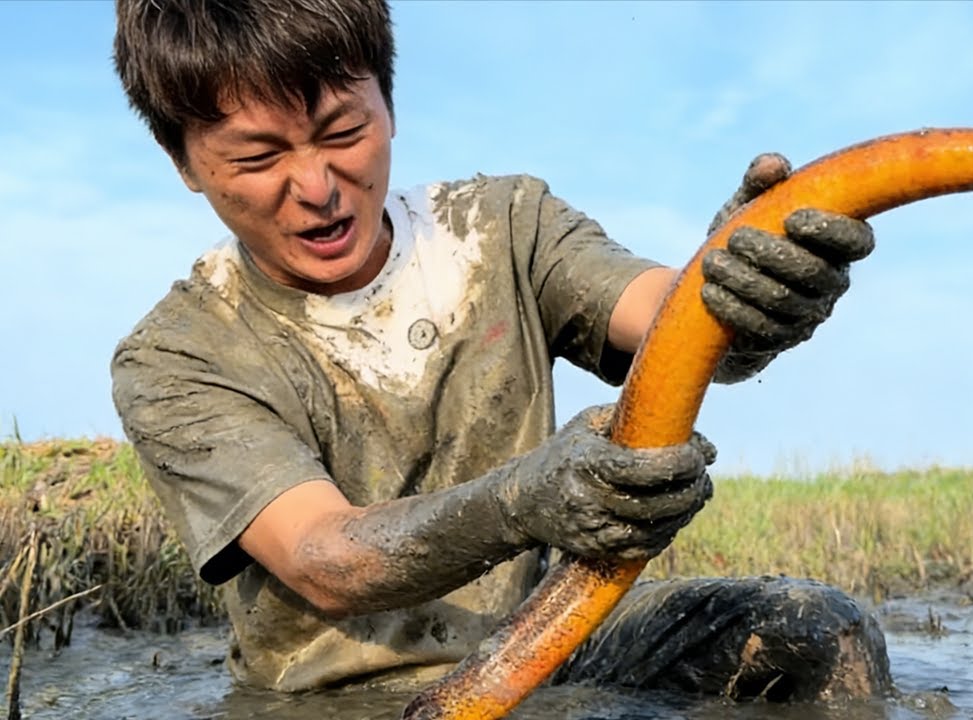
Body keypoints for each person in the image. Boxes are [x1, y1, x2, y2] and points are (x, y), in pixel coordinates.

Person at [109, 0, 892, 705]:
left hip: (553, 645)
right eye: (257, 158)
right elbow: (325, 557)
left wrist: (736, 286)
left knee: (818, 633)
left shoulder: (503, 226)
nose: (317, 186)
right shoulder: (176, 355)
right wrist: (522, 499)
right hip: (340, 695)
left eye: (343, 131)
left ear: (389, 104)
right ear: (182, 162)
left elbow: (664, 317)